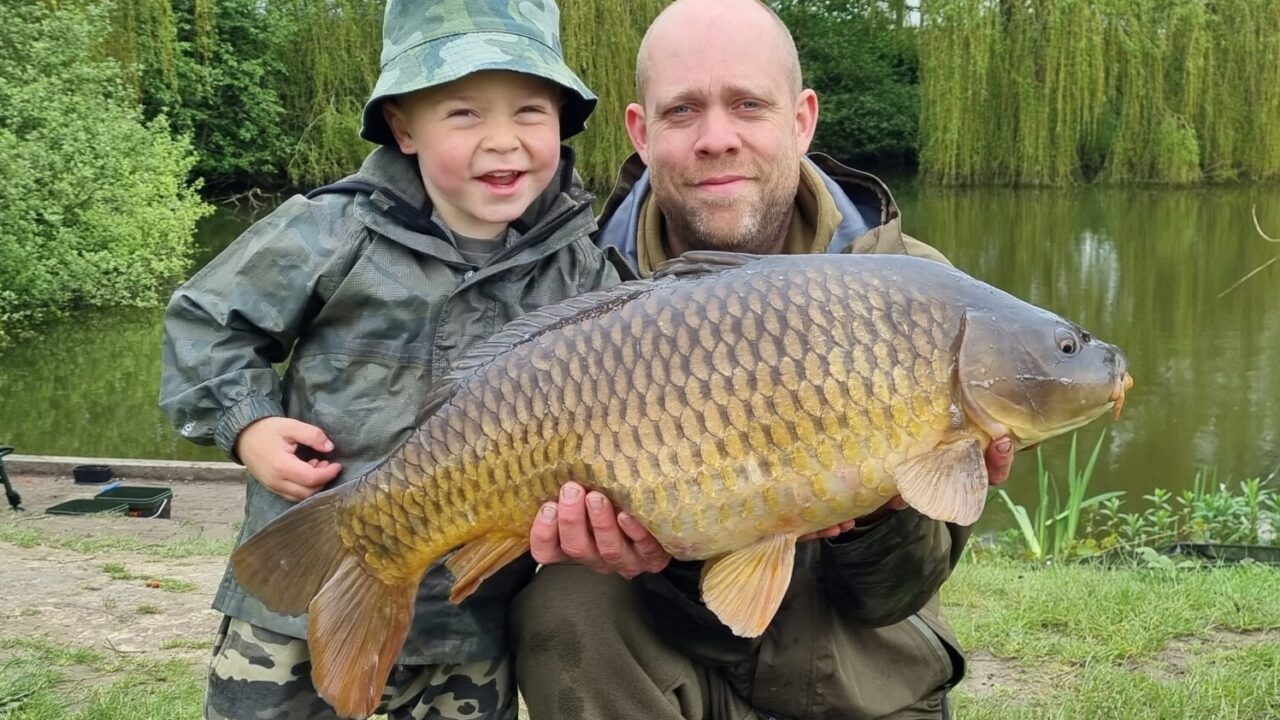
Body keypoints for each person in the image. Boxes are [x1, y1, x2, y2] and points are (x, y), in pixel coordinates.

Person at [511, 1, 1017, 718]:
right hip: (673, 667)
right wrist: (648, 551)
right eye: (683, 111)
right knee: (565, 603)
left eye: (748, 104)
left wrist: (878, 512)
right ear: (641, 132)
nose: (718, 138)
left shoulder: (918, 290)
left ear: (803, 118)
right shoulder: (585, 307)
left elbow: (895, 595)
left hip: (866, 684)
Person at [158, 1, 617, 718]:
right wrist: (248, 425)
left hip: (467, 622)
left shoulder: (584, 275)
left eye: (530, 111)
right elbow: (204, 321)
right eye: (463, 114)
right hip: (302, 591)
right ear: (404, 127)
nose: (504, 142)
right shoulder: (332, 230)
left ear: (563, 121)